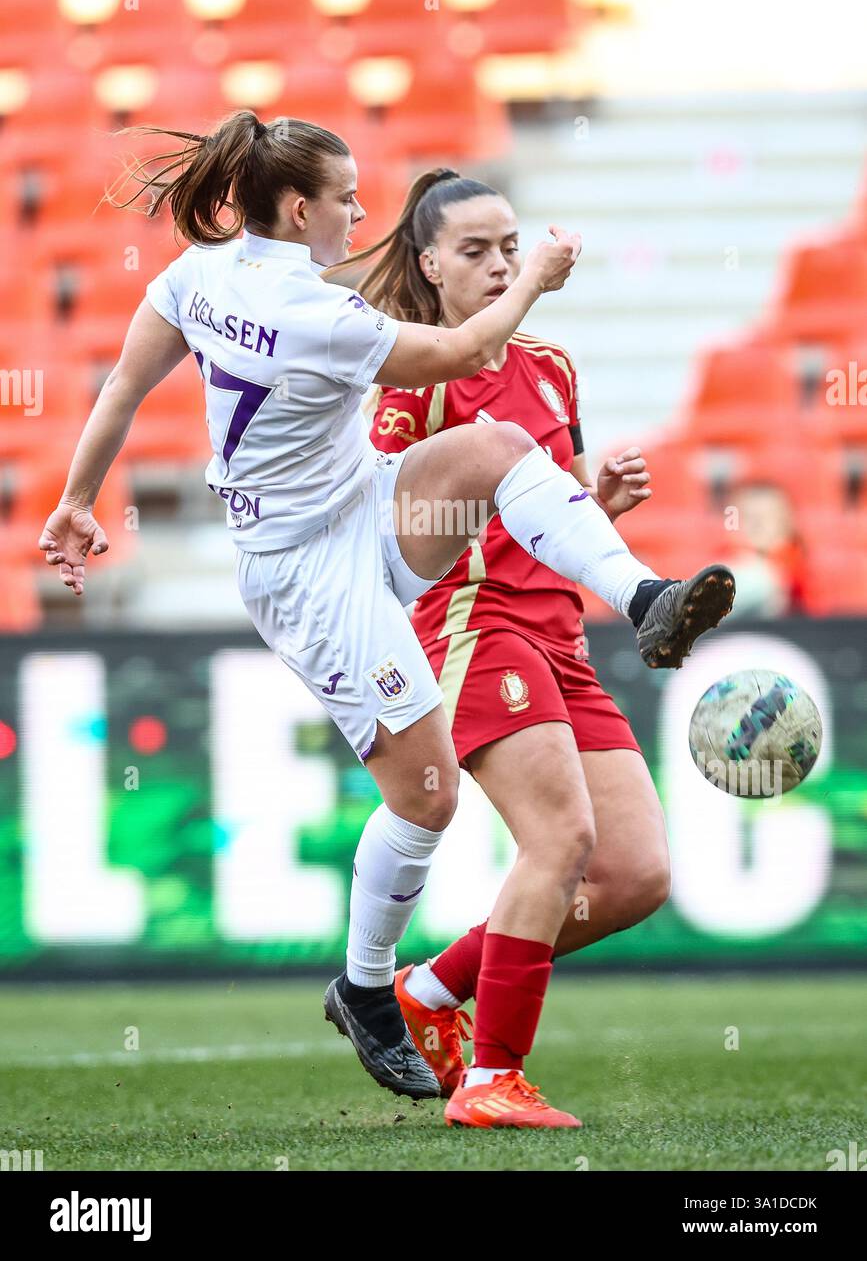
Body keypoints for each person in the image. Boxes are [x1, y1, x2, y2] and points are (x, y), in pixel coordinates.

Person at [36, 112, 735, 1115]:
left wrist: (73, 497)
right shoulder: (316, 318)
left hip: (360, 501)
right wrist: (533, 276)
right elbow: (459, 352)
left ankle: (643, 595)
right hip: (308, 573)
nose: (361, 210)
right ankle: (369, 989)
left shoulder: (197, 274)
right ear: (297, 207)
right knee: (429, 795)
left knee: (495, 448)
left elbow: (123, 383)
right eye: (347, 195)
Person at [353, 169, 689, 1126]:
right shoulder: (411, 370)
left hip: (559, 632)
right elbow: (393, 517)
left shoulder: (551, 366)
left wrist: (601, 502)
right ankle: (491, 1080)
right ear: (427, 266)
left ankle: (423, 995)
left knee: (631, 874)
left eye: (508, 246)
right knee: (560, 840)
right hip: (472, 624)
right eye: (474, 251)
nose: (499, 264)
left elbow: (555, 498)